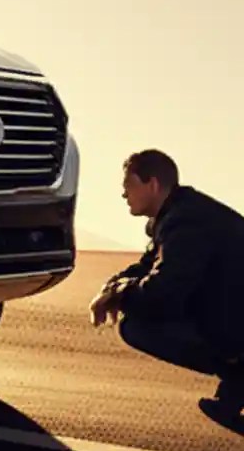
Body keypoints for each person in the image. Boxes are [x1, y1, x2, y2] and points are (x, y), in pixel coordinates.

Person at [89, 149, 244, 427]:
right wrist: (112, 287)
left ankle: (237, 369)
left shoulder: (185, 222)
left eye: (128, 185)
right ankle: (234, 383)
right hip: (232, 312)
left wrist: (120, 295)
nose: (124, 195)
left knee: (136, 325)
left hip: (235, 317)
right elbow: (148, 266)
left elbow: (163, 293)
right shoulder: (179, 214)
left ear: (153, 184)